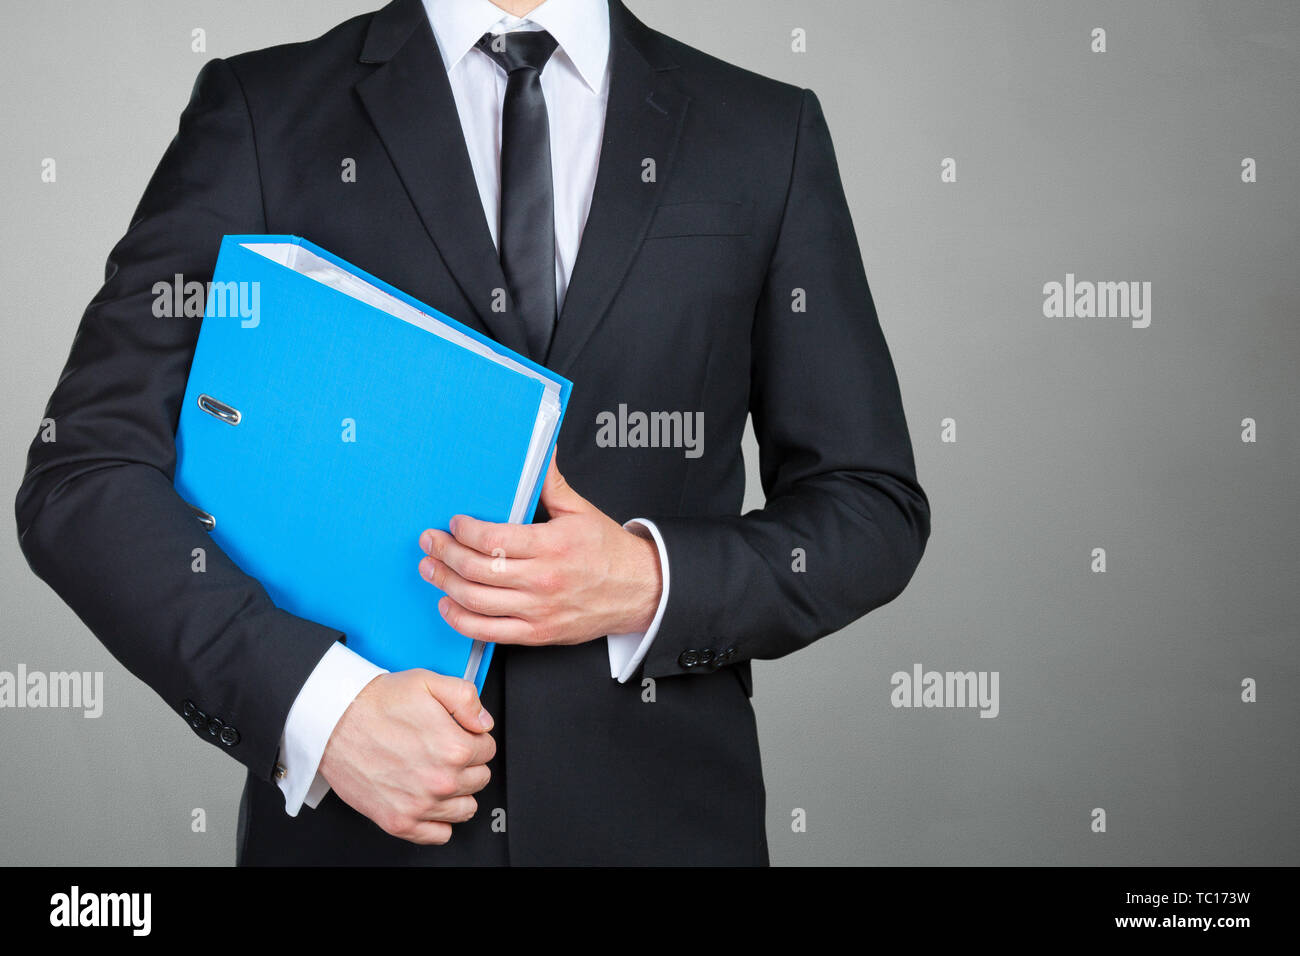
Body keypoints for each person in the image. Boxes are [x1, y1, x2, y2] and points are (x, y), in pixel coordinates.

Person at [15, 0, 930, 865]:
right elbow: (85, 474)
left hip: (668, 832)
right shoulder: (263, 111)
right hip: (358, 848)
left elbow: (870, 506)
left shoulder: (765, 132)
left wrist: (647, 583)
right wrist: (321, 708)